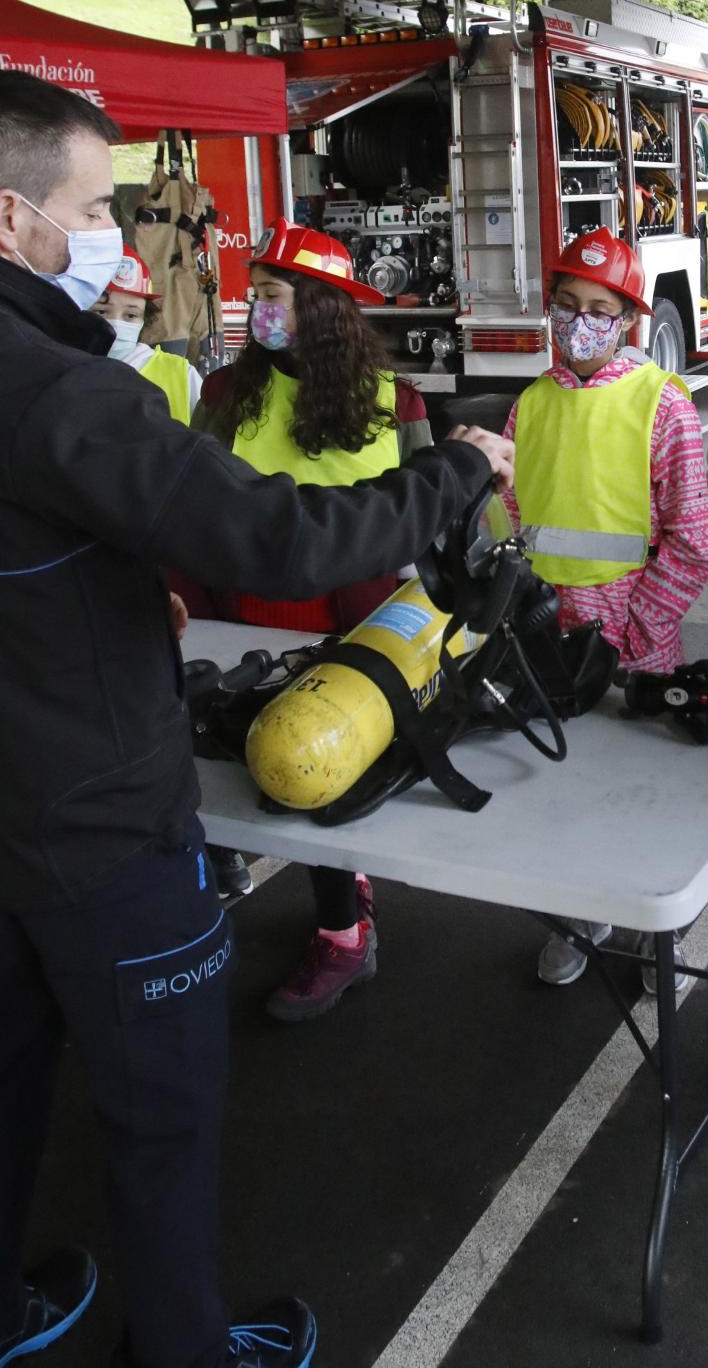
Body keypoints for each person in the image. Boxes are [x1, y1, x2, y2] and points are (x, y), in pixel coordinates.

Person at [0, 71, 511, 1368]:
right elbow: (273, 537)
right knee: (161, 1106)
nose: (112, 235)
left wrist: (100, 594)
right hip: (94, 822)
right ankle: (183, 1348)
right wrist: (453, 474)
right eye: (94, 209)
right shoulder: (56, 390)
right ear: (12, 218)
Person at [185, 218, 435, 1021]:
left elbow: (431, 521)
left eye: (273, 295)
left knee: (320, 778)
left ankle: (343, 932)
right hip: (241, 616)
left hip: (345, 628)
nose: (258, 309)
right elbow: (190, 507)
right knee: (237, 767)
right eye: (256, 294)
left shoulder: (396, 401)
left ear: (322, 309)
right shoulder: (224, 393)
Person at [501, 227, 708, 987]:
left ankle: (662, 937)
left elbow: (691, 542)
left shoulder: (662, 404)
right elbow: (511, 519)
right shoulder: (531, 404)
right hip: (544, 640)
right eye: (567, 305)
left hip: (633, 644)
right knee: (556, 792)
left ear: (628, 320)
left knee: (642, 802)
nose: (579, 323)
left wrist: (636, 630)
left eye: (599, 310)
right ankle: (577, 918)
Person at [90, 248, 202, 423]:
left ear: (145, 319)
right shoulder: (61, 370)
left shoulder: (182, 375)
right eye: (101, 312)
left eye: (130, 315)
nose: (115, 325)